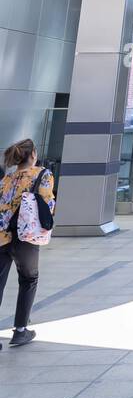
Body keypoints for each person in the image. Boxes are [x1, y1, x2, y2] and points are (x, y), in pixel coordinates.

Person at [0, 139, 55, 349]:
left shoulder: (7, 178)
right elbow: (46, 201)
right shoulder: (42, 174)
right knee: (29, 278)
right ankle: (20, 330)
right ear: (33, 154)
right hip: (25, 236)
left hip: (1, 235)